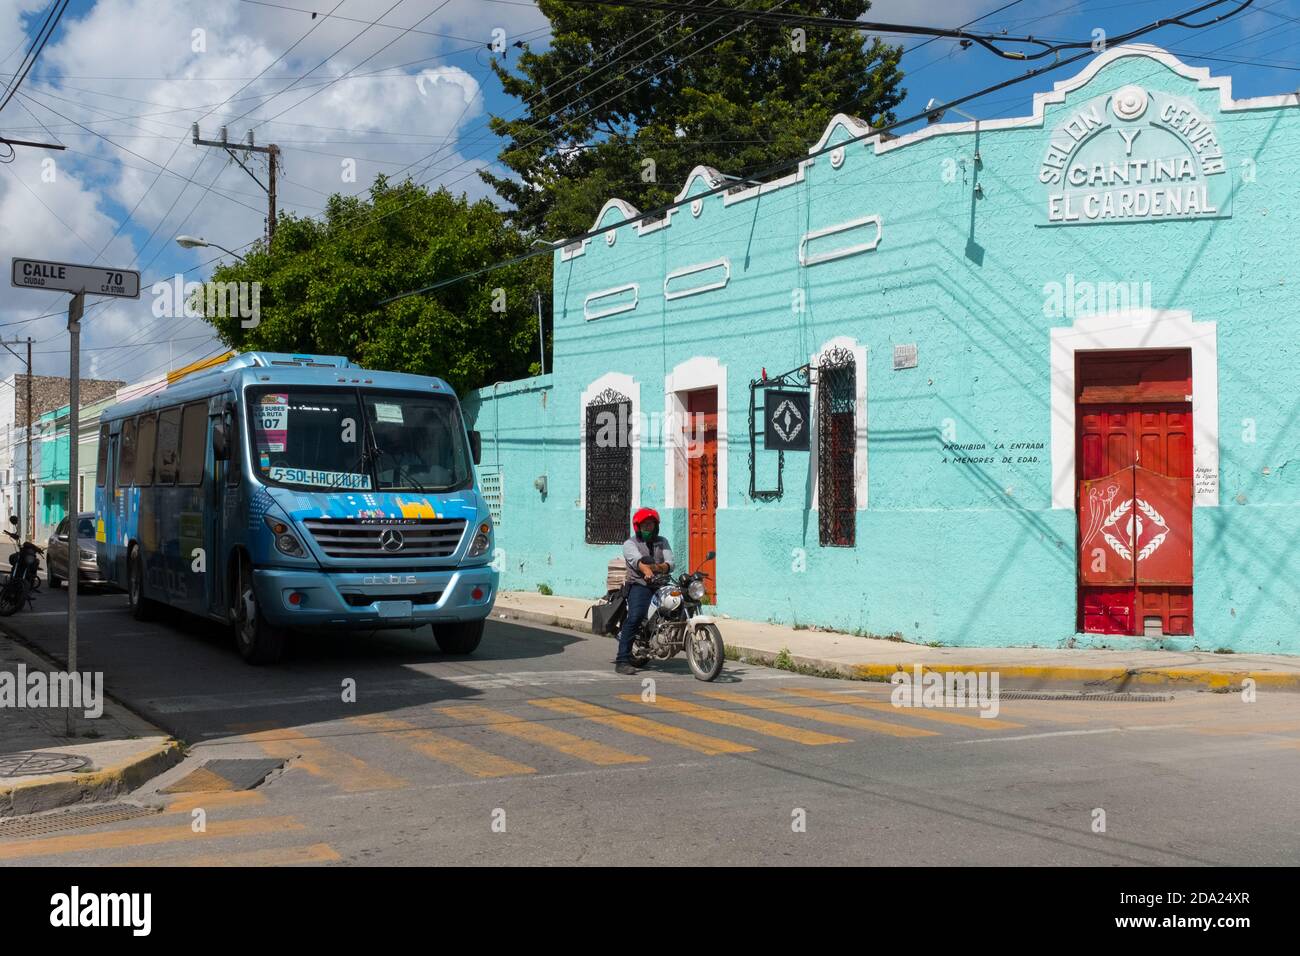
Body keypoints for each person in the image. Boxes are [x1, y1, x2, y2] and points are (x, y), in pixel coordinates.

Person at [614, 507, 674, 675]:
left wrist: (656, 567)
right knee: (635, 617)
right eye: (645, 525)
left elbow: (671, 563)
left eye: (651, 524)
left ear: (656, 526)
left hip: (660, 584)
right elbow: (637, 561)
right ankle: (622, 660)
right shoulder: (630, 544)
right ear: (638, 527)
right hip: (639, 585)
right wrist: (646, 570)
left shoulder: (663, 541)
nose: (648, 527)